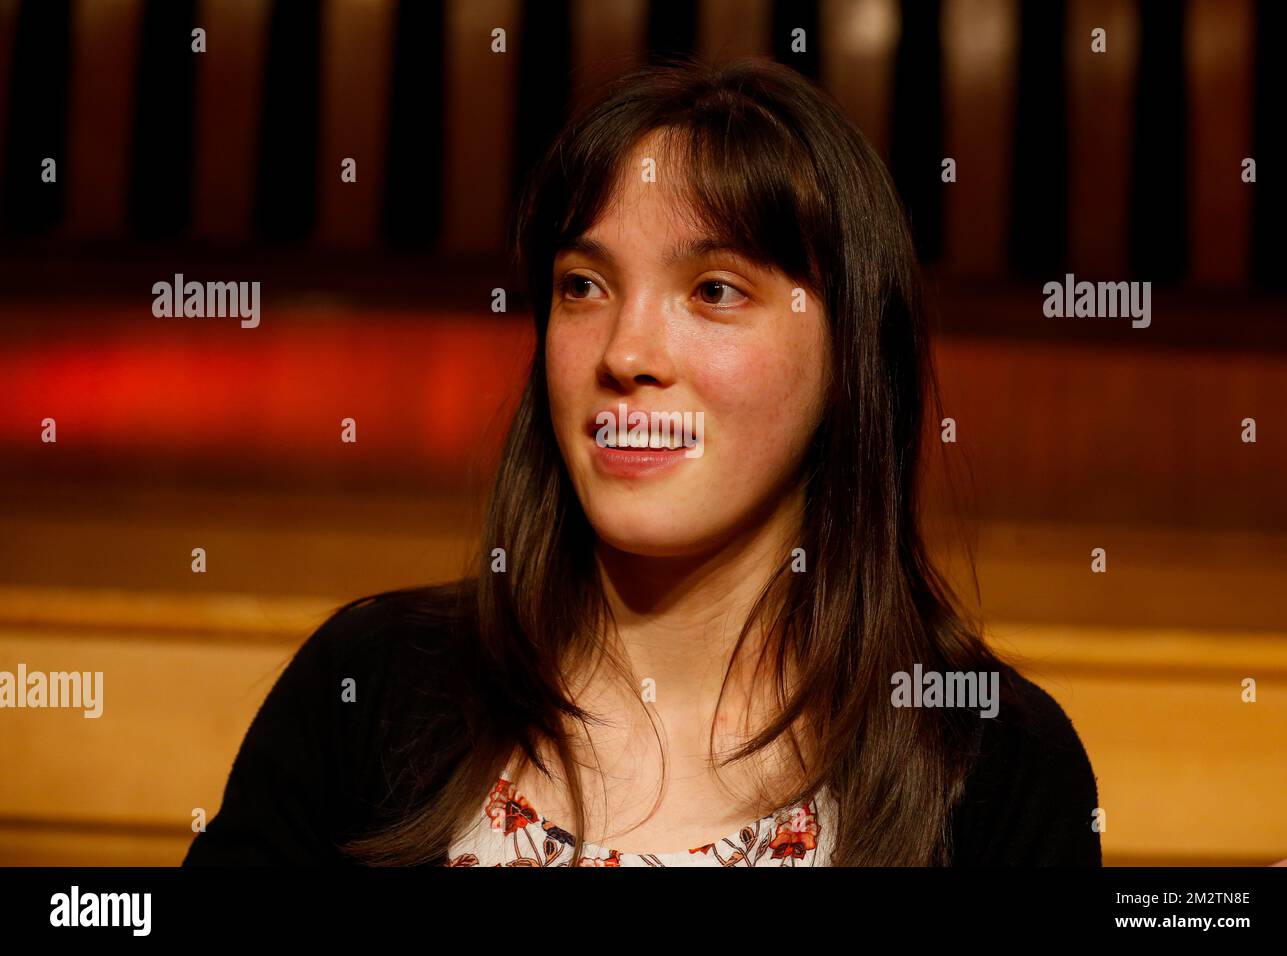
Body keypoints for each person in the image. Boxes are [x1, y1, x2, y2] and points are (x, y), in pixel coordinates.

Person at [184, 56, 1102, 867]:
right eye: (583, 286)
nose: (625, 352)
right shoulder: (370, 687)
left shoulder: (994, 764)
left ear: (850, 356)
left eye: (714, 291)